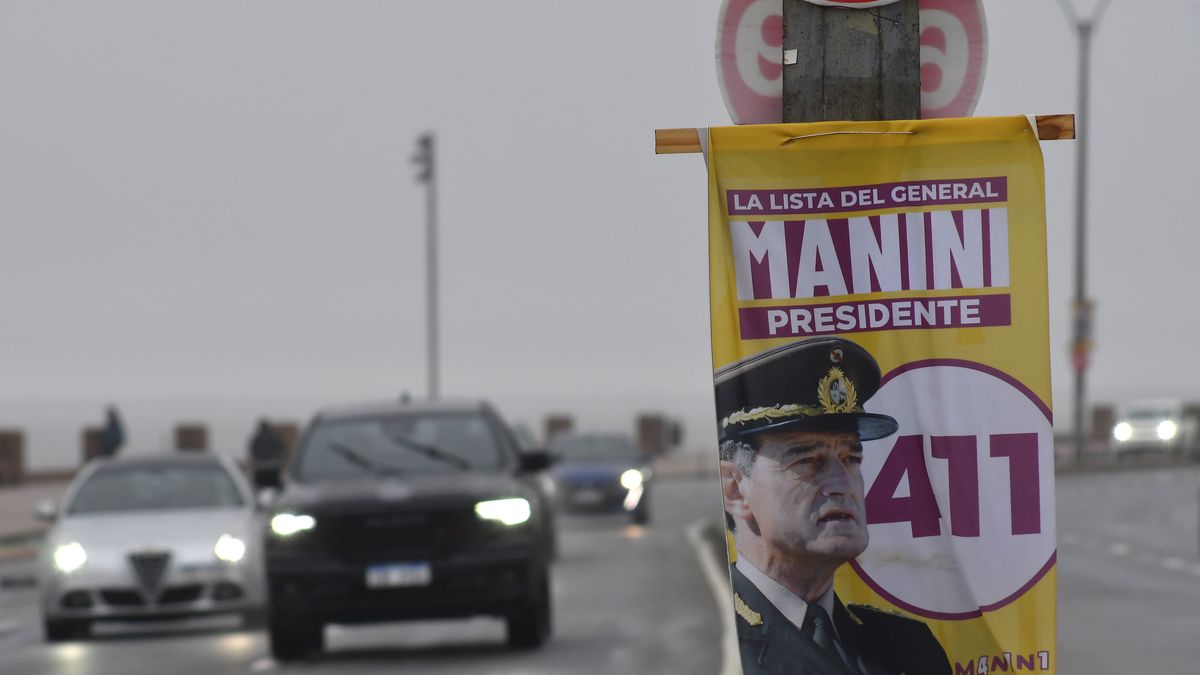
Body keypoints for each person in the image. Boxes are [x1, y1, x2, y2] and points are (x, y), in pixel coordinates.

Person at [715, 337, 950, 675]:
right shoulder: (721, 649)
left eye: (851, 458)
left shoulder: (908, 645)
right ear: (735, 488)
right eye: (808, 460)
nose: (843, 484)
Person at [249, 418, 286, 488]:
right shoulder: (274, 437)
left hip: (260, 467)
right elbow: (282, 448)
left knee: (257, 487)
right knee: (275, 486)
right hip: (273, 466)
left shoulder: (256, 438)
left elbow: (252, 450)